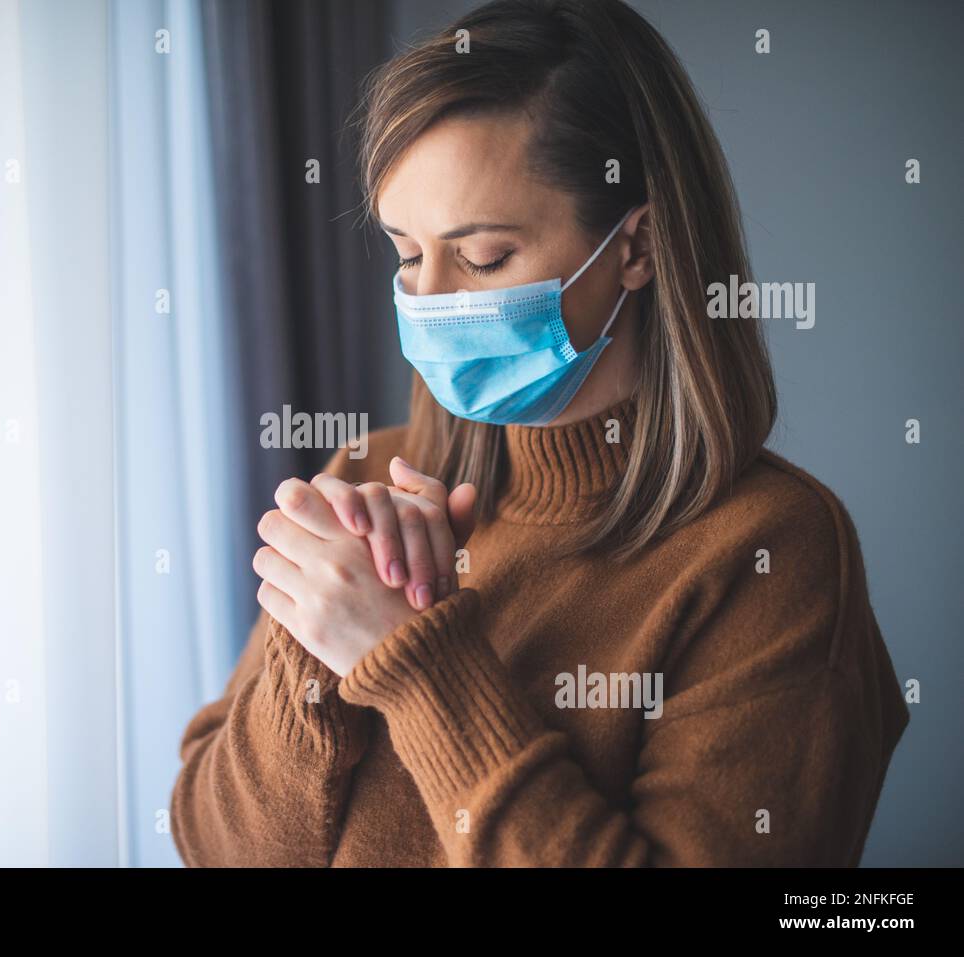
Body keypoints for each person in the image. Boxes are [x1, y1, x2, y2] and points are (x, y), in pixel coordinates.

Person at [170, 0, 909, 867]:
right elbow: (213, 845)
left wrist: (414, 665)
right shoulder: (368, 476)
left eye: (482, 258)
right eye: (409, 255)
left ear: (637, 247)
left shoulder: (769, 555)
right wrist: (317, 650)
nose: (430, 300)